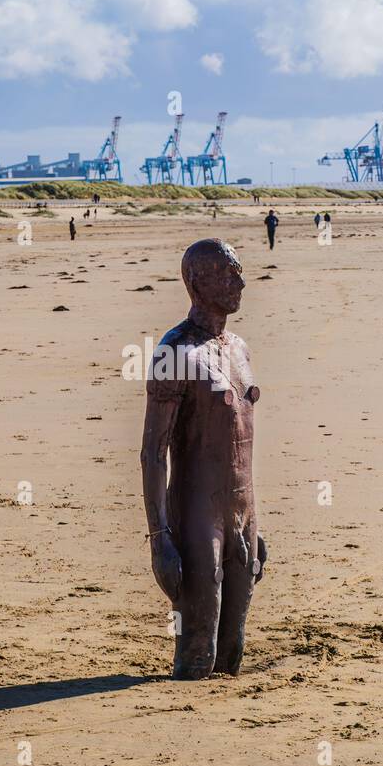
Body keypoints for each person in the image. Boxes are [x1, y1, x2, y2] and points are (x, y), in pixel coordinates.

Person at [141, 238, 265, 679]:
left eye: (239, 272)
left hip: (241, 511)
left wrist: (256, 523)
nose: (241, 283)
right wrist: (160, 538)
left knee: (232, 647)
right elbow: (153, 454)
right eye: (227, 274)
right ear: (196, 281)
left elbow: (241, 445)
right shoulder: (174, 353)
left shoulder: (240, 348)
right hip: (196, 516)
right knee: (198, 645)